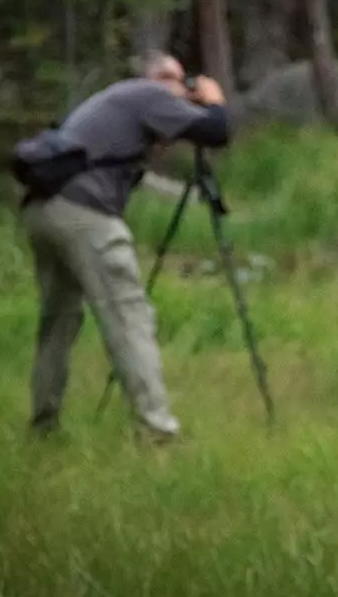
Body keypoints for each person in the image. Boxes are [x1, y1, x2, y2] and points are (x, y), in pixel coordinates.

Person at [19, 51, 229, 441]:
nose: (178, 86)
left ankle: (43, 427)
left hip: (42, 208)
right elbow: (218, 131)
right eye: (170, 76)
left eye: (182, 79)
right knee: (128, 315)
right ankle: (157, 430)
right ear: (149, 77)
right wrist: (213, 98)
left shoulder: (110, 99)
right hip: (83, 211)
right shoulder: (146, 94)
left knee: (58, 321)